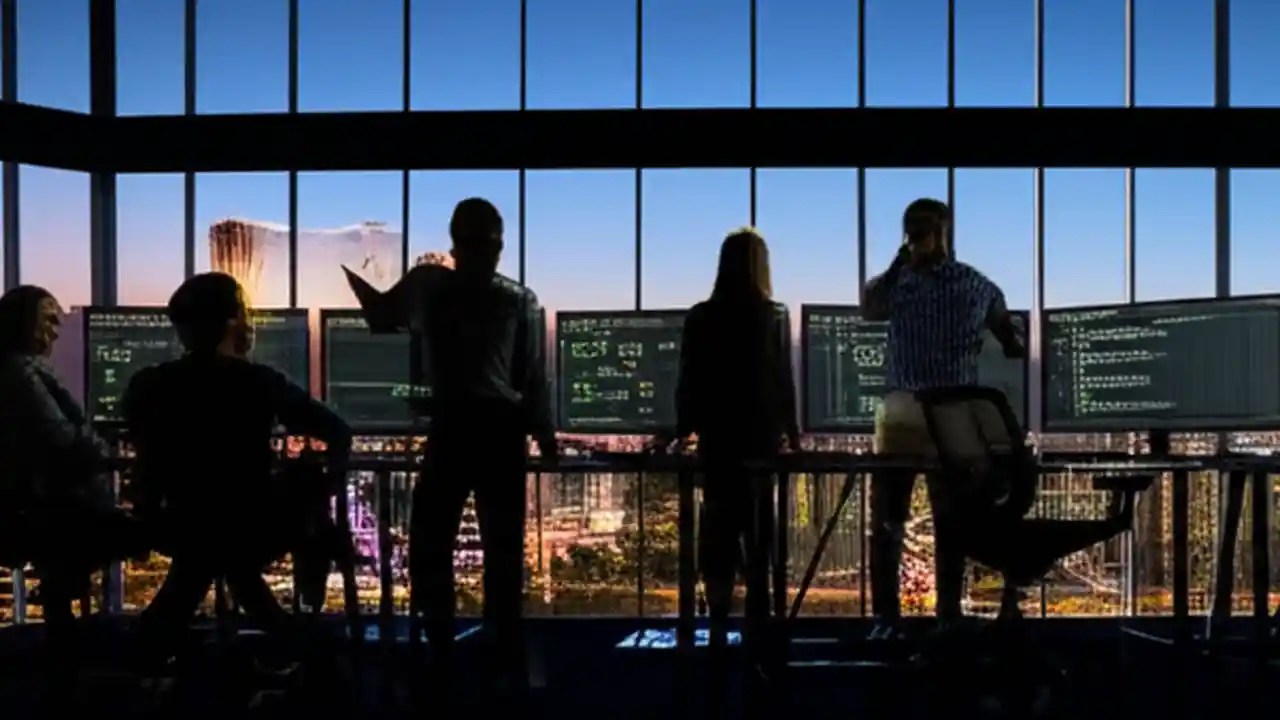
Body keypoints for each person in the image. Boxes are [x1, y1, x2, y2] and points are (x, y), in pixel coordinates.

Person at [344, 197, 556, 694]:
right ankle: (504, 654)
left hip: (451, 428)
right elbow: (533, 380)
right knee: (503, 550)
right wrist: (545, 441)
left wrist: (359, 284)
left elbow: (381, 318)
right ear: (497, 245)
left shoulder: (428, 285)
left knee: (431, 545)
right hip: (502, 433)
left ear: (454, 243)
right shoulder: (520, 300)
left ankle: (437, 648)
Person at [123, 272, 353, 666]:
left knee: (200, 564)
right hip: (249, 522)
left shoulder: (150, 385)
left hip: (177, 521)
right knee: (235, 556)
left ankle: (147, 655)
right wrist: (324, 477)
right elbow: (334, 429)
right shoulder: (258, 382)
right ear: (233, 321)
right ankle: (304, 642)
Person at [862, 198, 1025, 637]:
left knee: (888, 522)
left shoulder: (897, 283)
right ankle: (947, 616)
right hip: (954, 413)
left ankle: (885, 619)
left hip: (901, 413)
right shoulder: (978, 286)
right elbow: (1013, 342)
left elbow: (869, 306)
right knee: (951, 520)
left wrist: (901, 259)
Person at [674, 228, 800, 683]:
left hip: (718, 442)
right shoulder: (773, 315)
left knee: (718, 533)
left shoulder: (701, 317)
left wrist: (680, 430)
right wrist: (794, 436)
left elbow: (689, 383)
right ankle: (759, 641)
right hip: (760, 444)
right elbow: (783, 381)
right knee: (760, 539)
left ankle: (716, 629)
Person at [0, 286, 143, 663]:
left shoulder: (19, 371)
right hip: (59, 516)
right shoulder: (19, 374)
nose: (56, 330)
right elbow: (61, 439)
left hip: (45, 510)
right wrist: (111, 458)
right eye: (47, 320)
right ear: (21, 323)